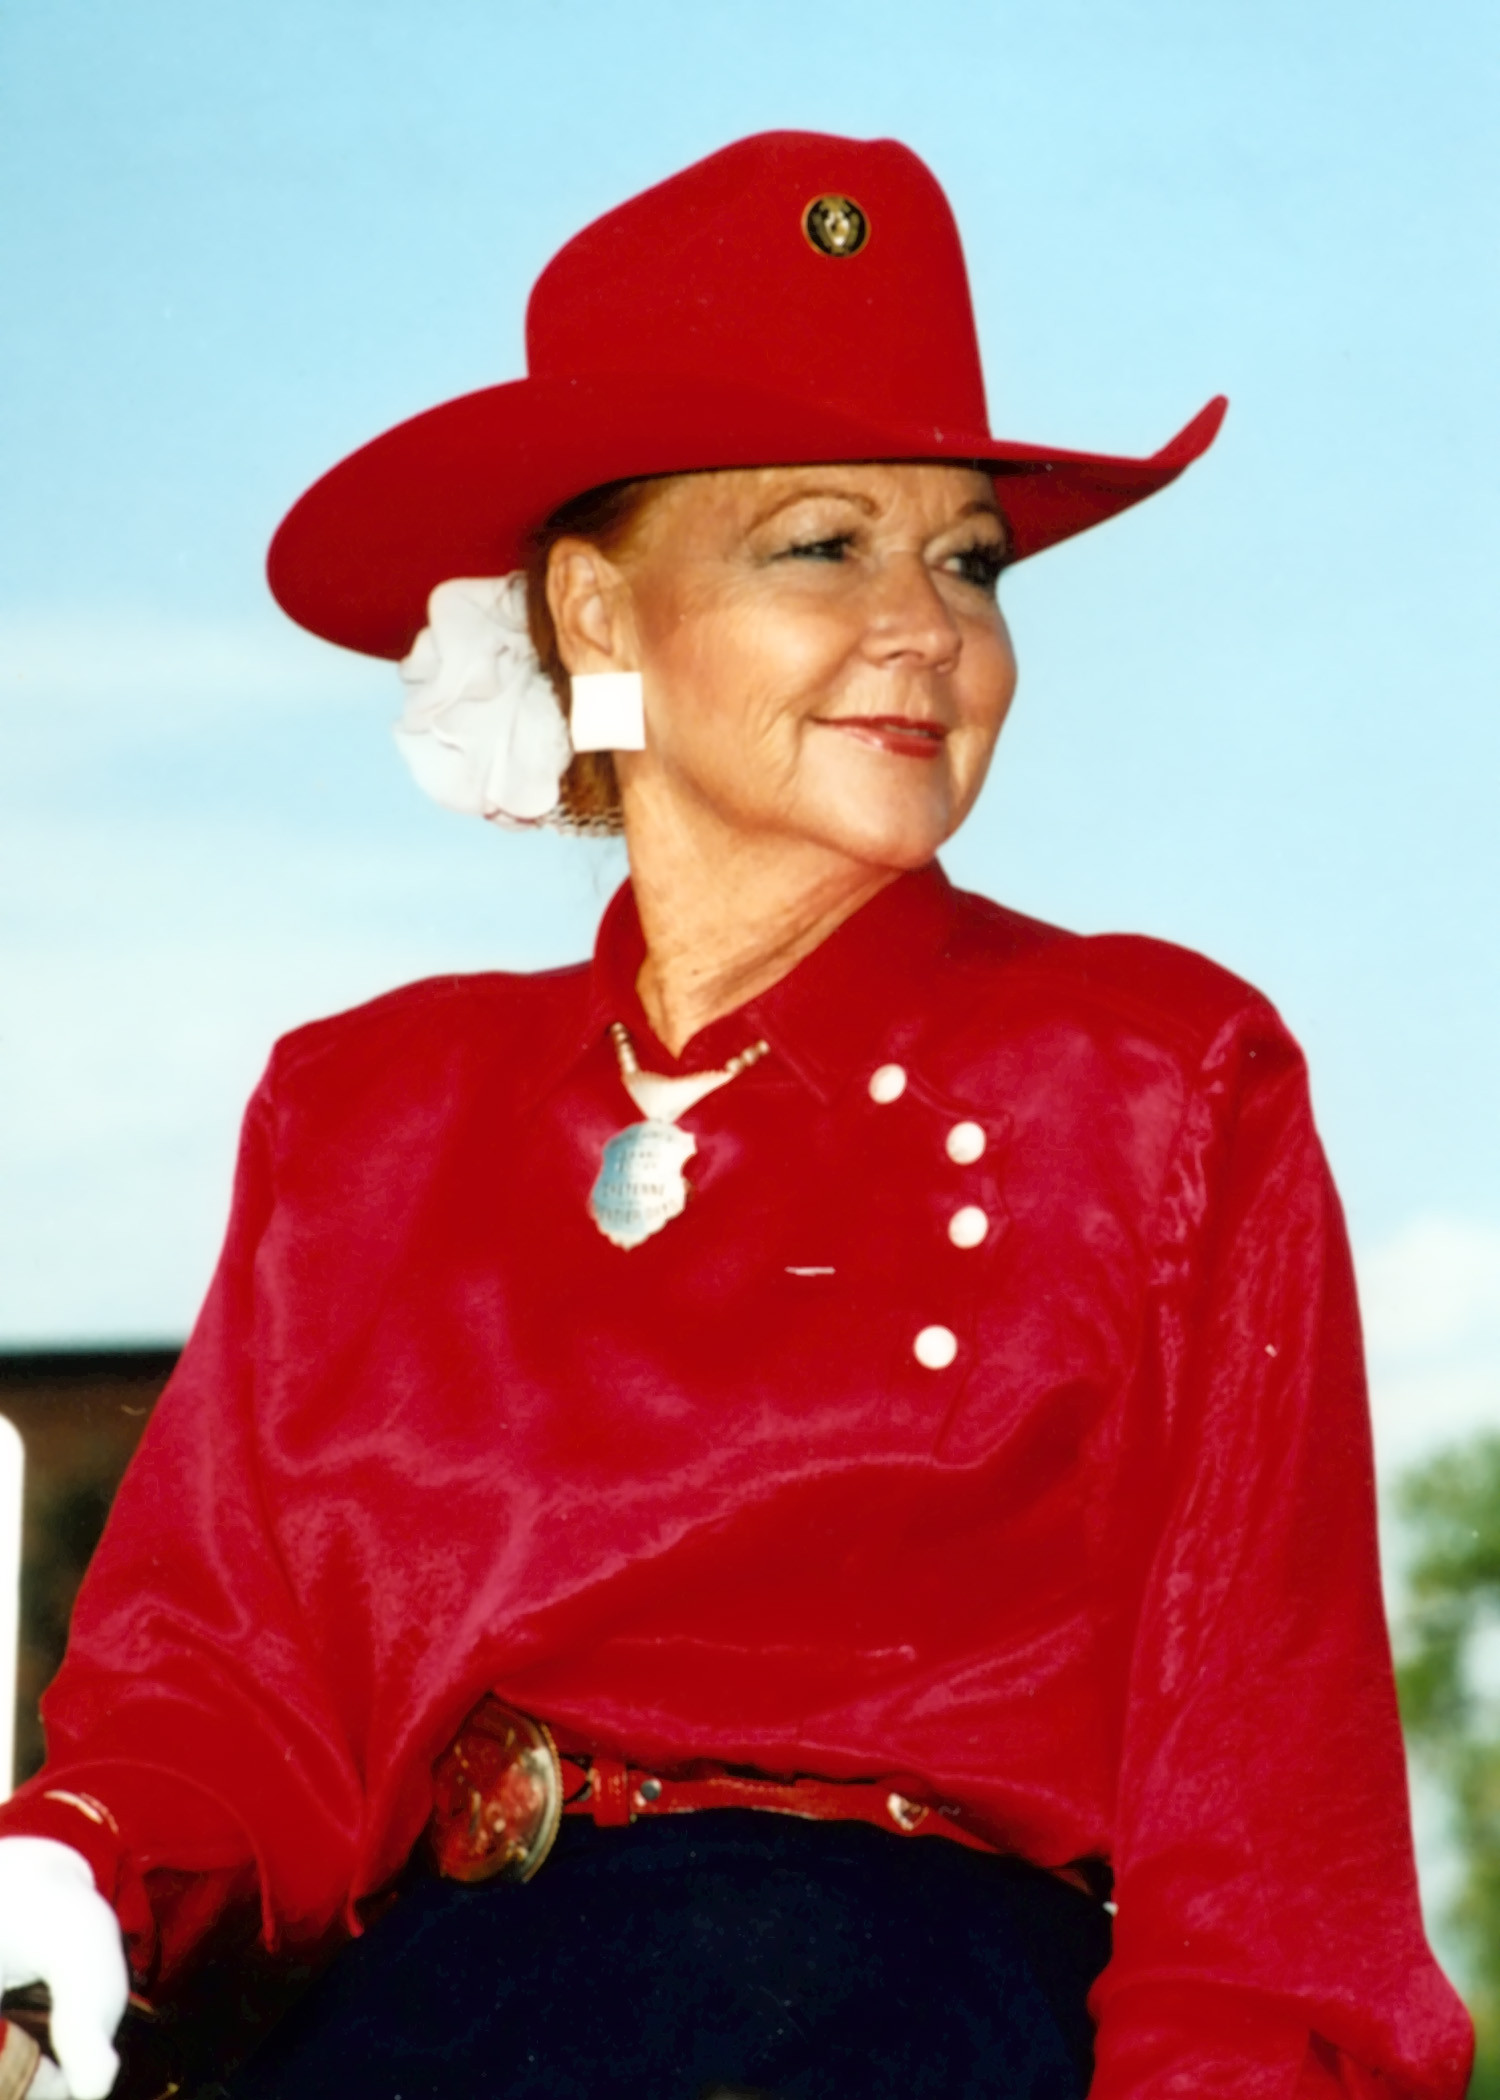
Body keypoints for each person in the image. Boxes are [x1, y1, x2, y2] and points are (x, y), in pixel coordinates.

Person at [0, 131, 1473, 2100]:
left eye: (968, 556)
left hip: (885, 2021)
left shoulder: (1159, 1081)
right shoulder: (363, 1108)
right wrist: (70, 1899)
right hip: (402, 2032)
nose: (925, 628)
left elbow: (1266, 1868)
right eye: (821, 543)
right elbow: (221, 1698)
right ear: (597, 616)